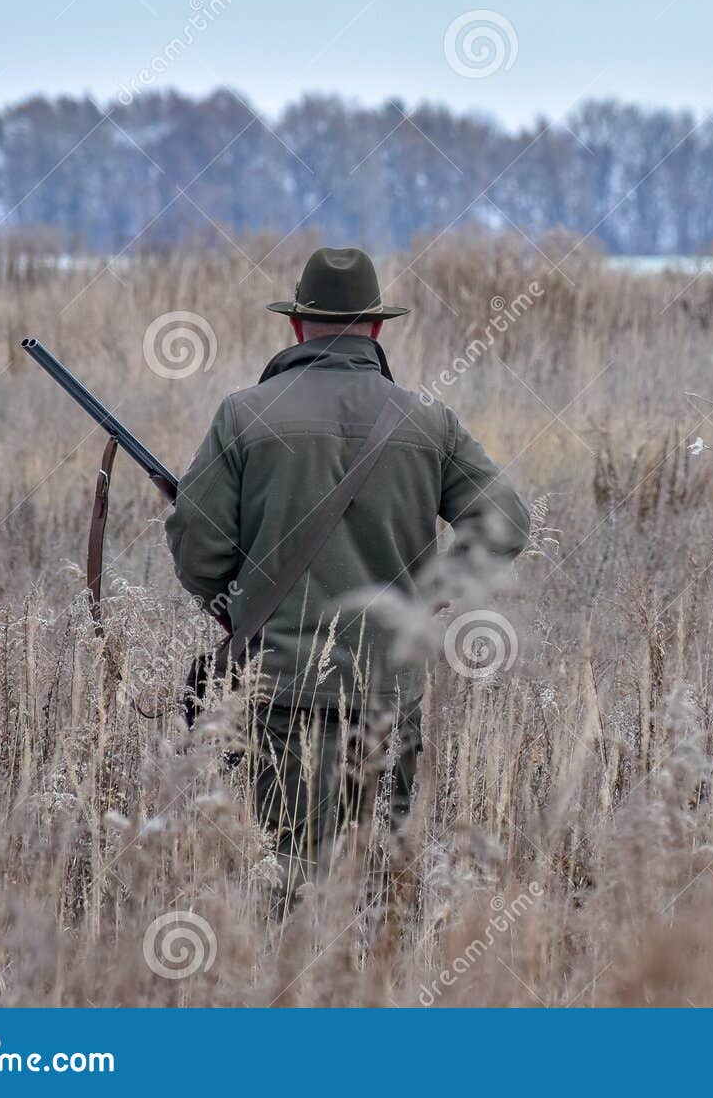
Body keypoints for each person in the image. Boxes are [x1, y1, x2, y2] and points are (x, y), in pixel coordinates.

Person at [164, 246, 528, 902]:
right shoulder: (428, 420)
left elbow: (196, 543)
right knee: (383, 875)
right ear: (377, 328)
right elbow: (507, 523)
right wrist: (425, 606)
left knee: (292, 874)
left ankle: (295, 991)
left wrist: (239, 608)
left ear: (298, 326)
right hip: (390, 690)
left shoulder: (243, 415)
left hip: (279, 692)